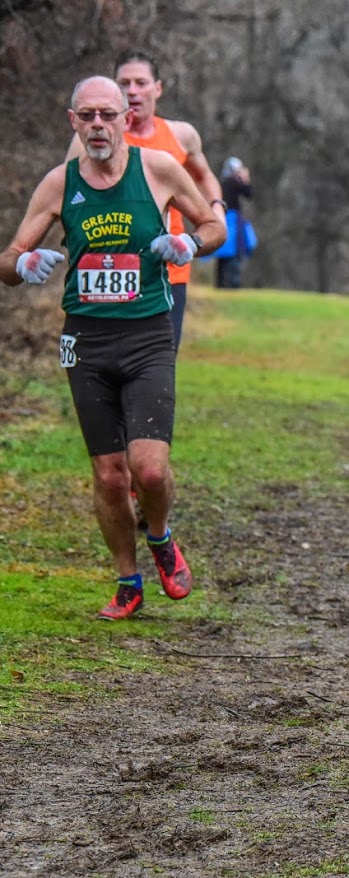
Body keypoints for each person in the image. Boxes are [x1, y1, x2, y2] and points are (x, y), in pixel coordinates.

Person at [0, 76, 225, 620]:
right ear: (73, 121)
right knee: (108, 474)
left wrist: (187, 242)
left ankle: (161, 536)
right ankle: (128, 581)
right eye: (87, 116)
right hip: (87, 340)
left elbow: (215, 225)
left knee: (148, 470)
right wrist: (24, 265)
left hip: (148, 334)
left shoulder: (159, 170)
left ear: (127, 118)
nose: (97, 125)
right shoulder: (60, 182)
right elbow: (8, 258)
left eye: (107, 114)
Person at [67, 50, 225, 353]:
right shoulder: (91, 139)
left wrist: (217, 209)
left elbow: (204, 176)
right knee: (106, 366)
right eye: (124, 83)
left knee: (156, 364)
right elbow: (70, 194)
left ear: (158, 88)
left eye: (141, 82)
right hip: (106, 272)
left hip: (167, 270)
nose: (132, 91)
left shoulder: (181, 136)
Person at [216, 156, 254, 289]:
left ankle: (221, 284)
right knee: (234, 253)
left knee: (223, 254)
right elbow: (249, 193)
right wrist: (245, 180)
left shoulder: (222, 182)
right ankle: (233, 283)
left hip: (223, 218)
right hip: (232, 221)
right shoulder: (234, 182)